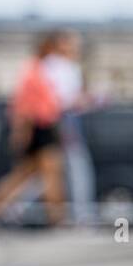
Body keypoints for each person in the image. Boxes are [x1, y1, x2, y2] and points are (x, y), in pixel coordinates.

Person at [0, 35, 64, 225]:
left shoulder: (40, 70)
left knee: (28, 173)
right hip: (39, 127)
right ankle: (56, 217)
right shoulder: (33, 71)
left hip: (42, 127)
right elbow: (23, 105)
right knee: (49, 172)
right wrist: (22, 132)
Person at [44, 31, 95, 225]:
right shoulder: (58, 66)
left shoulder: (59, 66)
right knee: (77, 166)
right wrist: (84, 101)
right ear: (61, 44)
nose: (76, 47)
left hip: (63, 119)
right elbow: (62, 99)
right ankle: (82, 215)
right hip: (64, 120)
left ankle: (15, 209)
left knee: (51, 169)